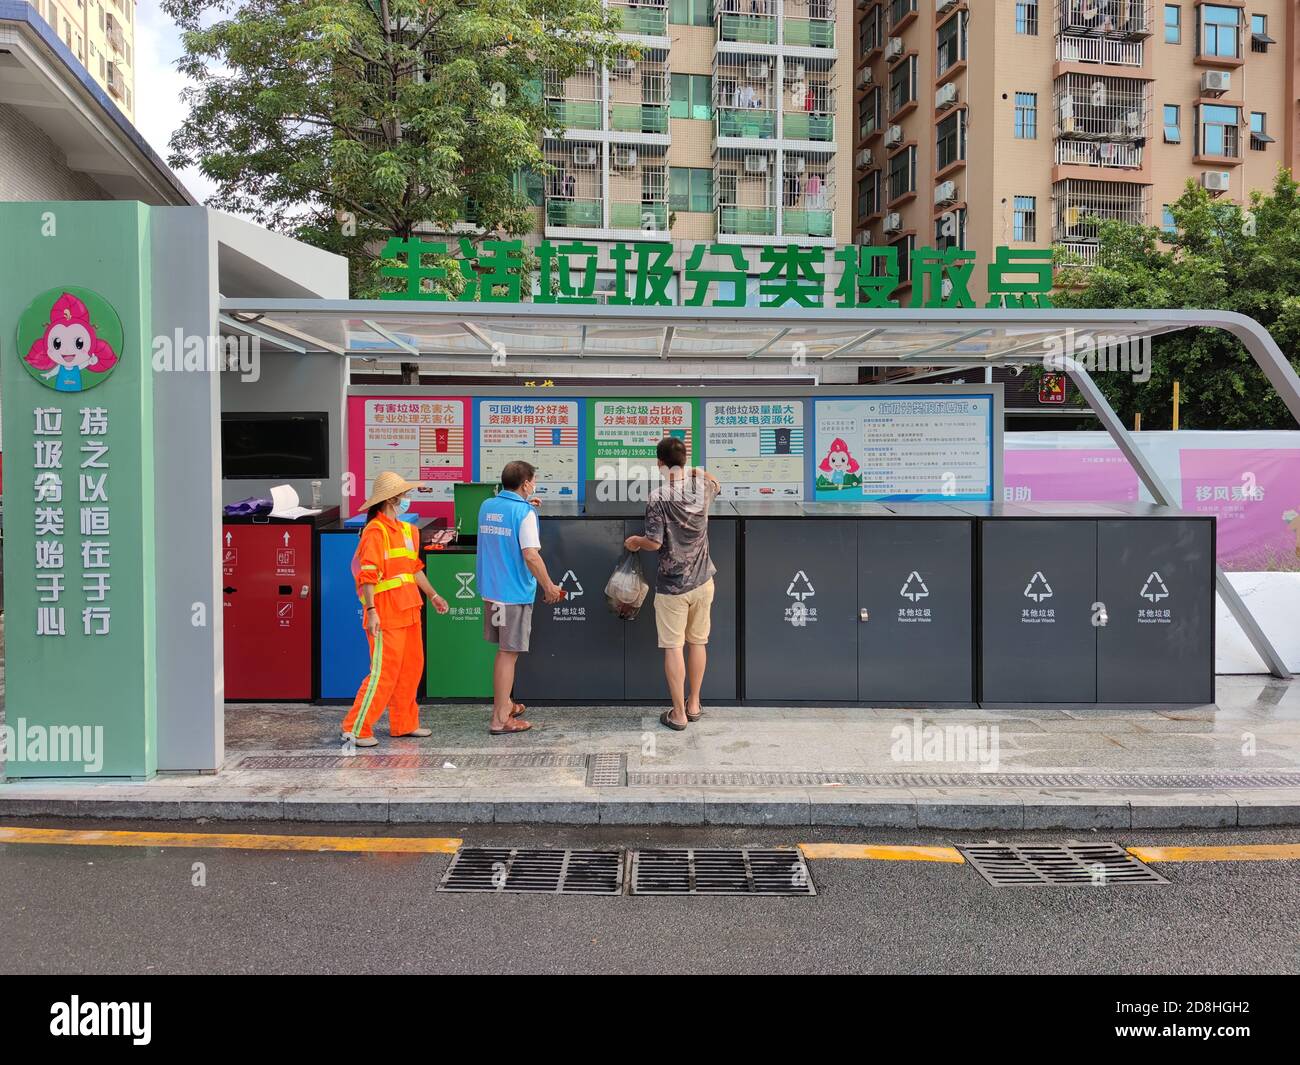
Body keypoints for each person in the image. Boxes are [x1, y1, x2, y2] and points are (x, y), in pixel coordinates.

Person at [341, 471, 450, 748]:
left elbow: (413, 570)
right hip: (386, 613)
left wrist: (434, 595)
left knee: (410, 669)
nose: (407, 499)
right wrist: (373, 611)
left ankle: (404, 724)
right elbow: (368, 576)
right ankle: (356, 728)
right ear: (391, 499)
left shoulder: (407, 530)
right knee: (383, 672)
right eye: (403, 494)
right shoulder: (375, 532)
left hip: (410, 608)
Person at [624, 437, 721, 731]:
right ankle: (694, 703)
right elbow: (715, 481)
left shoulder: (658, 497)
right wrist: (694, 472)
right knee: (698, 642)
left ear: (659, 464)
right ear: (685, 460)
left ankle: (678, 713)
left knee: (674, 646)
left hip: (672, 586)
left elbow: (653, 543)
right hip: (703, 580)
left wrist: (635, 542)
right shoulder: (702, 488)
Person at [476, 460, 563, 735]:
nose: (534, 484)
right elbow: (530, 555)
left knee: (503, 651)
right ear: (526, 483)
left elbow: (505, 527)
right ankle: (500, 718)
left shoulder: (487, 506)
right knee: (508, 653)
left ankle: (506, 703)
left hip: (492, 590)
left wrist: (526, 506)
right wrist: (548, 585)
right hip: (514, 593)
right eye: (533, 481)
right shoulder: (523, 513)